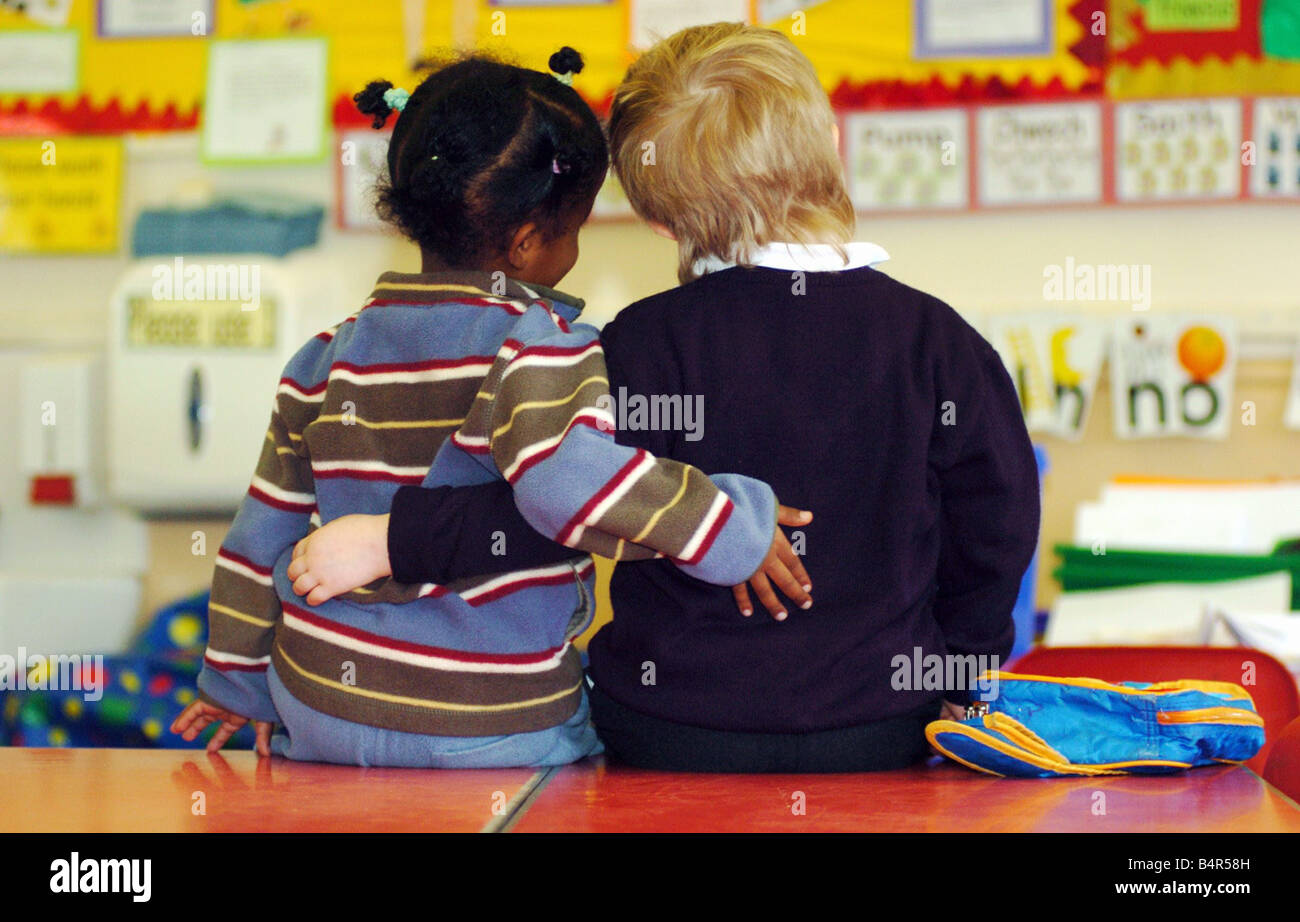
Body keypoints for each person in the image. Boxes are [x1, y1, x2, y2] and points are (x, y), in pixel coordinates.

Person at [289, 25, 1040, 772]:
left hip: (665, 730)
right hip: (879, 729)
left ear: (655, 218)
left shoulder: (634, 346)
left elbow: (551, 504)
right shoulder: (942, 344)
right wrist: (964, 681)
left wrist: (393, 539)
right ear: (832, 142)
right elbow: (997, 526)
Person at [170, 46, 809, 768]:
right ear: (529, 241)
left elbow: (258, 537)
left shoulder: (320, 358)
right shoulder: (540, 345)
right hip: (489, 729)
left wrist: (235, 685)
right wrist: (727, 526)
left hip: (318, 708)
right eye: (575, 229)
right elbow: (572, 486)